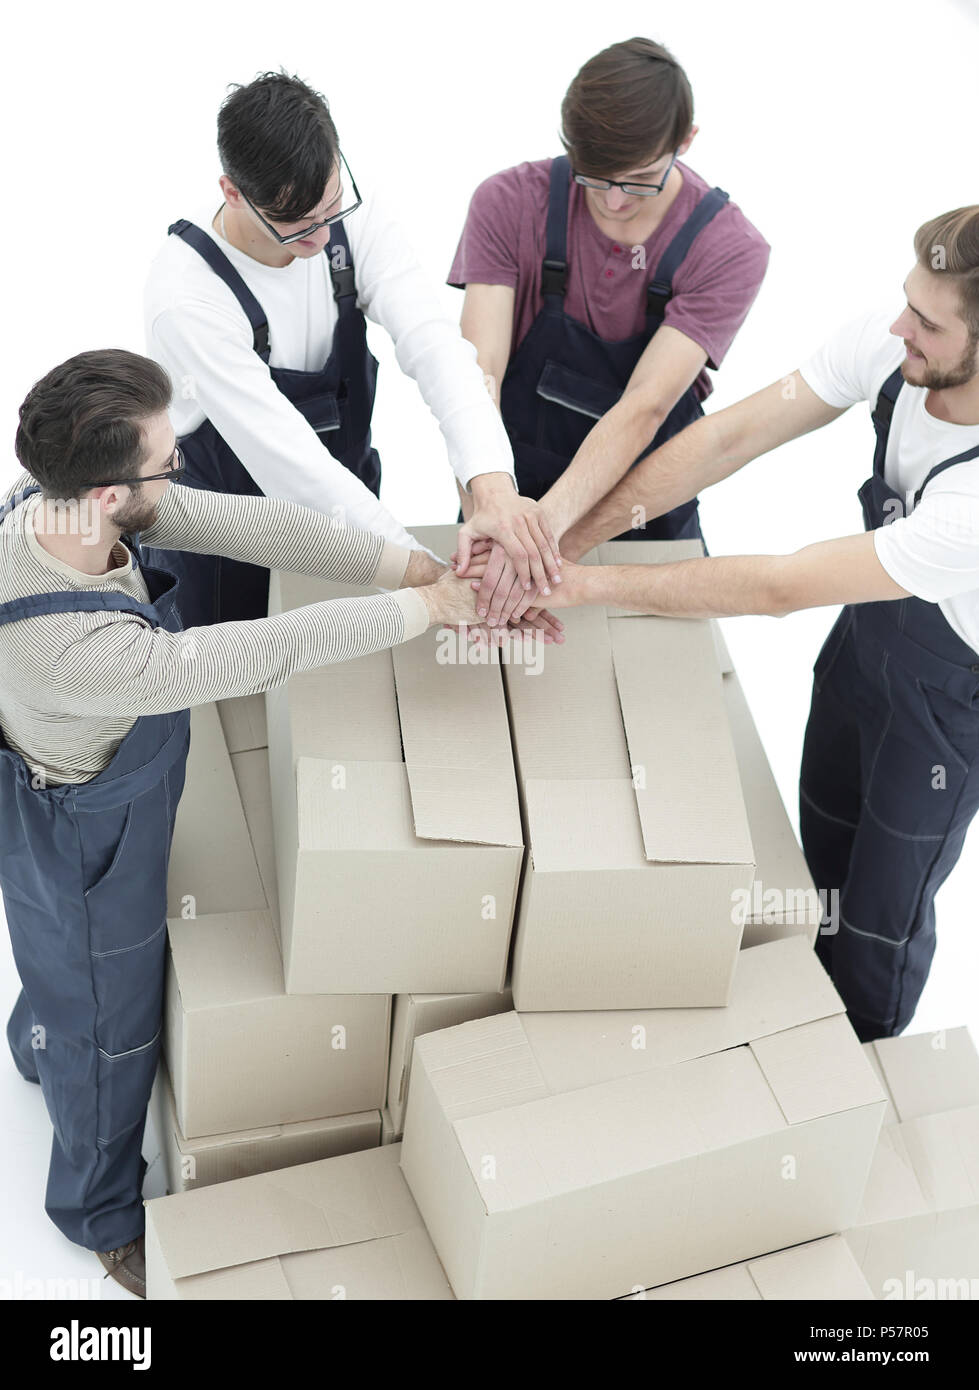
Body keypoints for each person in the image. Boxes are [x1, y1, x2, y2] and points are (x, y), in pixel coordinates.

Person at [0, 348, 528, 1298]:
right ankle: (97, 1215)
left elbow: (250, 525)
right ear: (113, 491)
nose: (181, 471)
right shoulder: (73, 645)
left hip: (102, 781)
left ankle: (37, 1036)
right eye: (168, 460)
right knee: (107, 1026)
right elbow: (266, 649)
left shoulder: (57, 500)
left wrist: (406, 563)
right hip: (83, 828)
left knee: (59, 975)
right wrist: (424, 610)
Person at [522, 206, 979, 1043]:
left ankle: (855, 1067)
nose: (896, 325)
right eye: (906, 300)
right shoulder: (895, 349)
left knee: (881, 915)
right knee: (819, 851)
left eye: (927, 322)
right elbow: (732, 436)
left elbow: (779, 587)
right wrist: (569, 540)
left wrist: (582, 589)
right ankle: (796, 1026)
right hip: (867, 640)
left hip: (947, 707)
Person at [143, 70, 561, 631]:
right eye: (297, 224)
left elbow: (436, 347)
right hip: (227, 550)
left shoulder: (350, 220)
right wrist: (431, 580)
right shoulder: (187, 298)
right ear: (233, 192)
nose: (321, 235)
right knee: (233, 709)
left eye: (331, 207)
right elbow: (289, 461)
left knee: (345, 702)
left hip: (353, 525)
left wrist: (493, 489)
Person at [449, 35, 770, 626]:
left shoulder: (728, 247)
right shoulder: (506, 202)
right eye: (595, 177)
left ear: (685, 140)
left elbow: (644, 407)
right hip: (507, 492)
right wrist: (490, 508)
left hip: (645, 508)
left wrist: (538, 546)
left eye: (640, 179)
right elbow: (478, 376)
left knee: (659, 694)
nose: (616, 202)